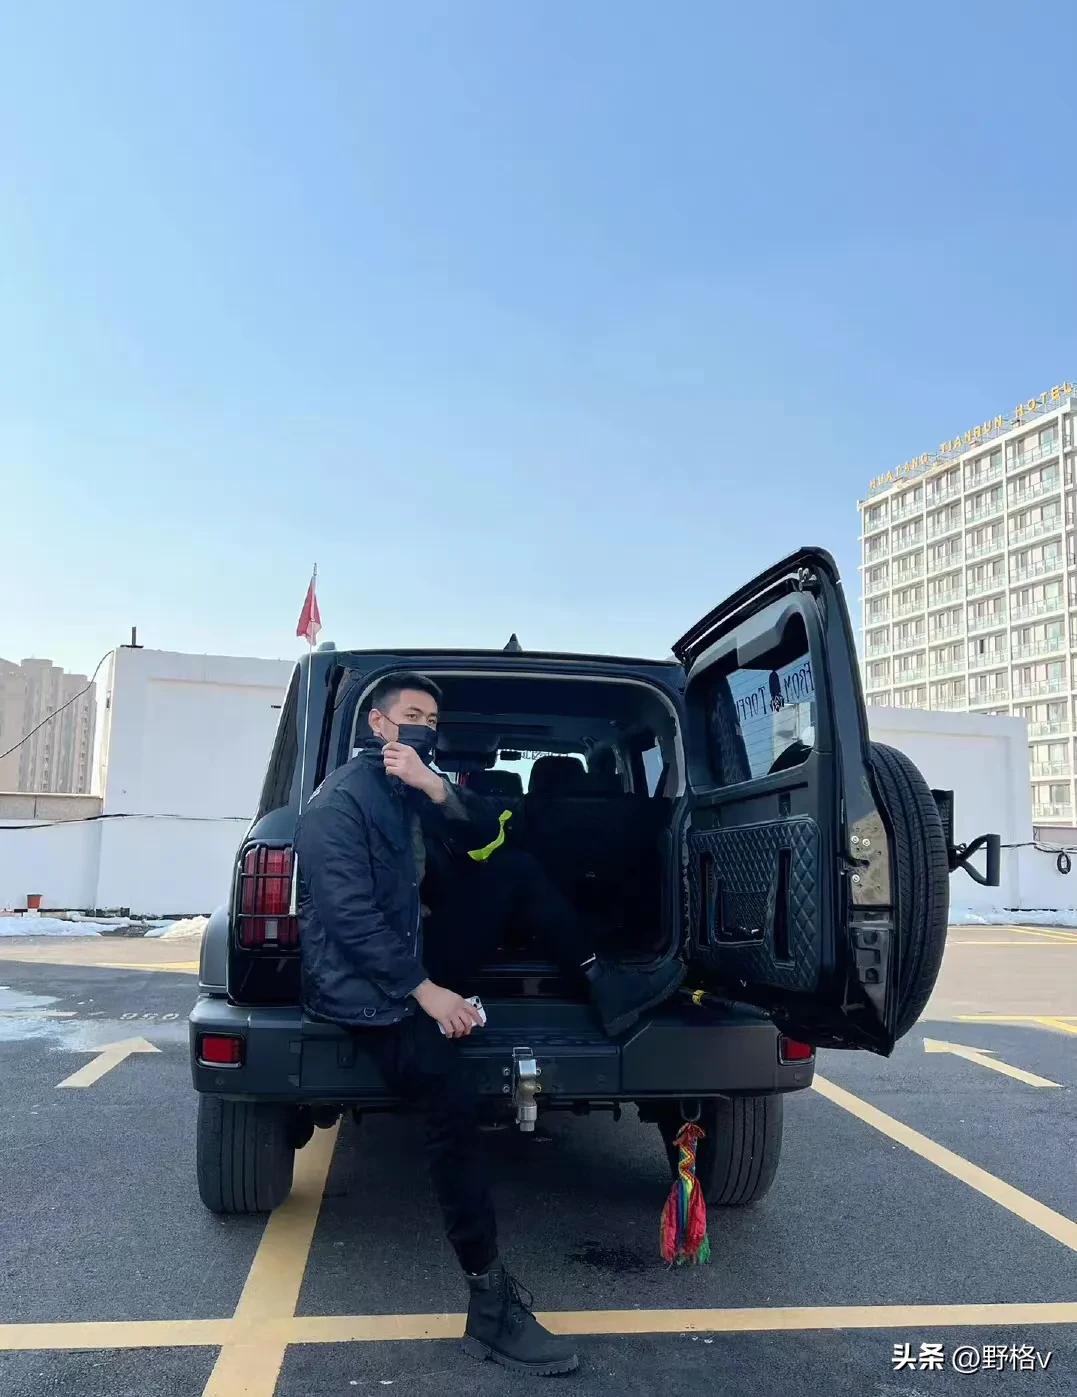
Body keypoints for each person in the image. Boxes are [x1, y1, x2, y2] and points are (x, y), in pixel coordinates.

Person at [295, 671, 681, 1375]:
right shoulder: (337, 805)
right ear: (376, 725)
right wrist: (429, 993)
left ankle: (603, 982)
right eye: (411, 714)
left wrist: (435, 785)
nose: (425, 727)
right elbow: (349, 919)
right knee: (450, 1101)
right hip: (365, 990)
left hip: (415, 953)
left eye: (431, 718)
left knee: (516, 869)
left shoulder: (405, 786)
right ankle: (490, 1304)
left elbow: (479, 827)